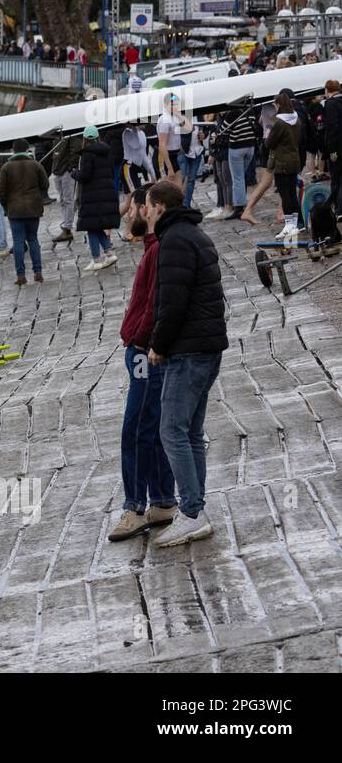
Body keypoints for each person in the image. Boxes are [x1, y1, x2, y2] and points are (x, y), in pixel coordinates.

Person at [146, 181, 227, 547]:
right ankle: (195, 509)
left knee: (172, 431)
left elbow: (173, 302)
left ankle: (192, 512)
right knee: (190, 432)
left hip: (189, 350)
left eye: (147, 205)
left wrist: (158, 345)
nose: (144, 211)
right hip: (207, 347)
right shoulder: (193, 233)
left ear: (160, 206)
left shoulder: (175, 240)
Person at [110, 186, 178, 541]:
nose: (128, 214)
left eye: (134, 208)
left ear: (150, 211)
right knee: (150, 428)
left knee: (136, 429)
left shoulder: (158, 250)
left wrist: (139, 339)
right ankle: (164, 499)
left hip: (145, 353)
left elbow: (155, 303)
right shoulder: (153, 248)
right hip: (142, 349)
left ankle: (135, 506)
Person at [0, 139, 49, 285]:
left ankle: (21, 276)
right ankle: (38, 273)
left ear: (13, 150)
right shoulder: (36, 165)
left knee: (18, 241)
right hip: (33, 209)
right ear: (27, 149)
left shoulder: (6, 167)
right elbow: (45, 184)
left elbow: (0, 190)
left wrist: (6, 205)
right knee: (33, 239)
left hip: (15, 210)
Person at [72, 124, 119, 271]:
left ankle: (96, 260)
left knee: (91, 227)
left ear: (85, 139)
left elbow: (85, 176)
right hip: (107, 192)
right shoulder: (107, 151)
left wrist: (74, 173)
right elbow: (111, 170)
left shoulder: (87, 154)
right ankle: (109, 253)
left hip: (93, 195)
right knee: (96, 225)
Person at [265, 93, 303, 238]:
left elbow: (269, 143)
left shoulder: (280, 123)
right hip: (294, 159)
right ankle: (296, 223)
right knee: (292, 193)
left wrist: (268, 134)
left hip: (282, 162)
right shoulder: (296, 119)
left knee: (284, 194)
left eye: (275, 105)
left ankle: (289, 225)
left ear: (279, 105)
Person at [49, 132, 83, 246]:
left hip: (66, 171)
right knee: (63, 199)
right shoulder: (56, 135)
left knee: (68, 199)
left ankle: (67, 228)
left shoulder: (71, 133)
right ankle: (66, 225)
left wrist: (70, 168)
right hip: (58, 170)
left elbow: (76, 150)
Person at [154, 94, 186, 187]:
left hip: (176, 155)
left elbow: (184, 129)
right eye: (172, 105)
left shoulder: (175, 117)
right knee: (169, 192)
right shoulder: (164, 120)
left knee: (180, 189)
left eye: (176, 104)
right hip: (166, 157)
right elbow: (162, 145)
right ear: (165, 105)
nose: (175, 107)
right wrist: (169, 168)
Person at [178, 115, 208, 208]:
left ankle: (186, 205)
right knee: (182, 179)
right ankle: (180, 205)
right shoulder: (179, 116)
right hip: (184, 151)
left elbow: (205, 128)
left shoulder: (199, 115)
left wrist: (204, 134)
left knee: (191, 180)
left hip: (197, 150)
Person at [323, 80, 342, 211]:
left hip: (337, 147)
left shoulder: (330, 104)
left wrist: (332, 150)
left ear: (327, 90)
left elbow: (332, 128)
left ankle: (339, 208)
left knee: (336, 179)